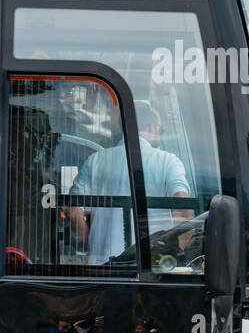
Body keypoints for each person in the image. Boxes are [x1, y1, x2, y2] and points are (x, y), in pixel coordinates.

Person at [68, 102, 192, 265]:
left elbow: (73, 210)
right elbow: (183, 209)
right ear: (152, 126)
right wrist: (177, 255)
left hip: (102, 267)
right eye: (160, 128)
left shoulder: (96, 161)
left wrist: (89, 241)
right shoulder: (168, 161)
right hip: (152, 268)